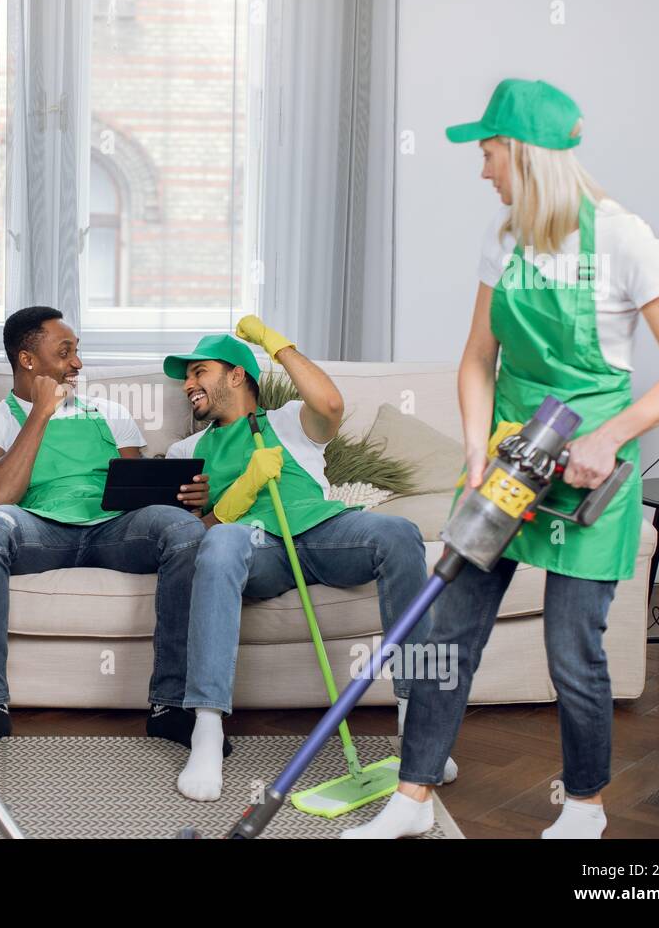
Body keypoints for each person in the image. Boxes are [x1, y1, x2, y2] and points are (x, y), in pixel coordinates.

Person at [343, 79, 659, 839]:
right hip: (513, 460)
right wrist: (477, 446)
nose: (483, 172)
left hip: (588, 470)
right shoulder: (503, 234)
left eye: (489, 155)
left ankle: (584, 806)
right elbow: (478, 359)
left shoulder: (623, 239)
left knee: (572, 648)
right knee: (447, 633)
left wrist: (609, 438)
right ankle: (412, 800)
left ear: (524, 154)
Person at [162, 324, 455, 800]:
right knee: (219, 544)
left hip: (326, 533)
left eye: (199, 372)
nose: (188, 384)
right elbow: (199, 540)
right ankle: (207, 730)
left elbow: (331, 405)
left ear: (237, 376)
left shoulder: (289, 420)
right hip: (260, 550)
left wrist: (275, 343)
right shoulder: (187, 452)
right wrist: (238, 494)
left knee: (399, 533)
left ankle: (417, 720)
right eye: (186, 377)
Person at [0, 306, 210, 755]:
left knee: (184, 530)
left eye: (77, 352)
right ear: (28, 360)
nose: (78, 364)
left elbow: (140, 495)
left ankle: (171, 708)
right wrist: (40, 415)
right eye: (65, 351)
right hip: (39, 530)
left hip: (114, 530)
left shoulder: (110, 413)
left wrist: (184, 496)